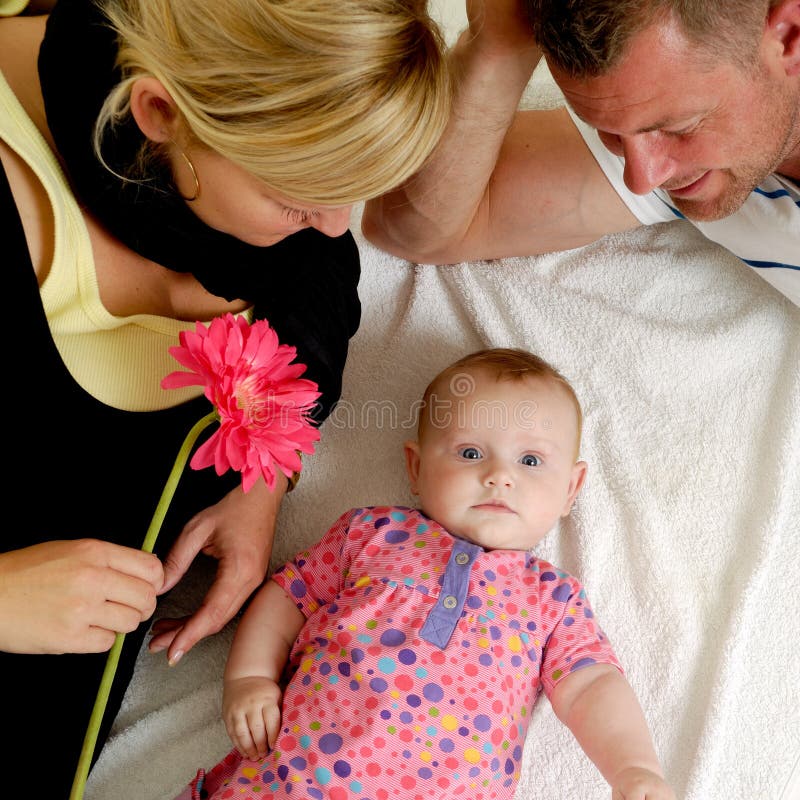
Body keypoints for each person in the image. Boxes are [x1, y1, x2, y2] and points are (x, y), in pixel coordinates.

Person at [0, 0, 450, 793]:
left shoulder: (244, 209)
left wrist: (264, 470)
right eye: (299, 197)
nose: (336, 225)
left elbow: (323, 286)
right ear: (159, 111)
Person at [175, 348, 675, 800]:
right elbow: (288, 596)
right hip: (295, 781)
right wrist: (250, 677)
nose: (500, 475)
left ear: (571, 488)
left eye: (530, 460)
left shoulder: (551, 598)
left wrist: (633, 766)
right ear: (415, 468)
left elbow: (591, 685)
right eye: (471, 453)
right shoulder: (371, 534)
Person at [362, 0, 800, 307]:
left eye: (676, 128)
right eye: (610, 132)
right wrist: (494, 46)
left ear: (791, 35)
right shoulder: (665, 126)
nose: (641, 178)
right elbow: (410, 229)